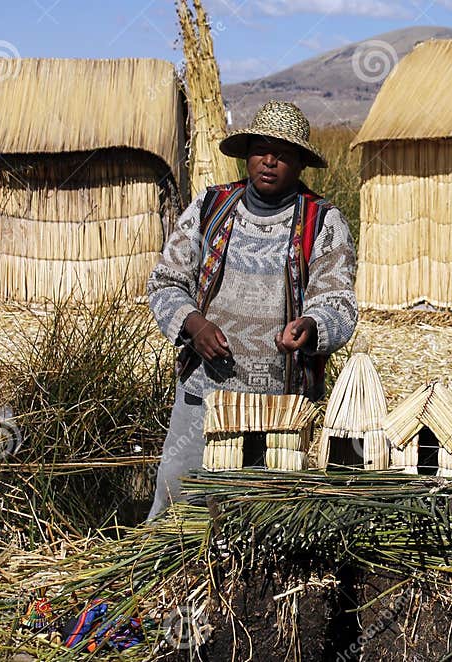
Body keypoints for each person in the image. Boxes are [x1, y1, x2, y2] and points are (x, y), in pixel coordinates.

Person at [145, 100, 357, 519]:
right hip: (204, 393)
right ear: (246, 155)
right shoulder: (210, 210)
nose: (270, 160)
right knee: (179, 501)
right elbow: (165, 281)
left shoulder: (323, 222)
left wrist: (311, 326)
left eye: (283, 153)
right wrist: (194, 324)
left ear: (300, 164)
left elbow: (339, 303)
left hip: (282, 407)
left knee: (264, 512)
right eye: (261, 149)